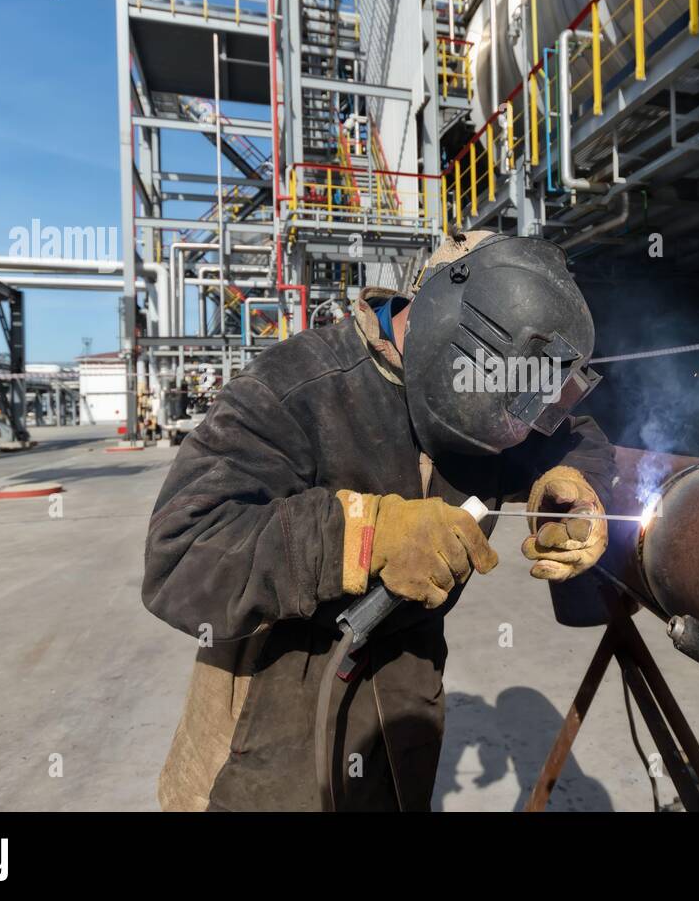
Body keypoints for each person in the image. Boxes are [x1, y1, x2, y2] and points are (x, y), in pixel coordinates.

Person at [142, 230, 615, 810]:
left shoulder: (502, 383)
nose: (516, 426)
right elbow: (181, 556)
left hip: (404, 699)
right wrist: (364, 537)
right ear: (451, 336)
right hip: (271, 709)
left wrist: (570, 482)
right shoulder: (298, 385)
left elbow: (574, 435)